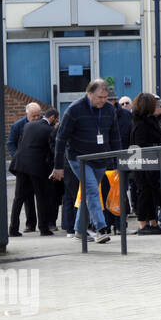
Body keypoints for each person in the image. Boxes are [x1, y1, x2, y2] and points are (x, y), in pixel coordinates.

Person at [51, 79, 120, 242]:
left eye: (105, 97)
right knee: (92, 190)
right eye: (99, 97)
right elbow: (60, 139)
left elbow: (115, 137)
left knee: (90, 192)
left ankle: (79, 230)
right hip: (79, 158)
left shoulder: (109, 110)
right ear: (89, 94)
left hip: (100, 158)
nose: (103, 100)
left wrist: (118, 162)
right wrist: (58, 166)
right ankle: (101, 228)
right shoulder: (74, 110)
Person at [15, 107, 58, 236]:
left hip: (21, 165)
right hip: (37, 168)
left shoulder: (28, 126)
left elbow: (21, 143)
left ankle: (12, 229)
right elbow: (52, 150)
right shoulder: (49, 130)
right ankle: (43, 228)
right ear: (52, 118)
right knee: (41, 197)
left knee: (18, 198)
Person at [129, 92, 161, 235]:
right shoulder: (140, 123)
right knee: (144, 192)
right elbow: (141, 144)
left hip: (152, 161)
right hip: (143, 162)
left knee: (152, 193)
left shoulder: (151, 120)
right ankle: (143, 224)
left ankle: (153, 222)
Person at [8, 102, 42, 236]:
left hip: (36, 165)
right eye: (33, 116)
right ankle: (27, 225)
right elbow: (11, 143)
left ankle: (35, 224)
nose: (36, 118)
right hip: (22, 165)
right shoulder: (17, 126)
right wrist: (17, 157)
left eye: (38, 115)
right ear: (27, 114)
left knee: (36, 194)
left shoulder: (42, 124)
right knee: (22, 196)